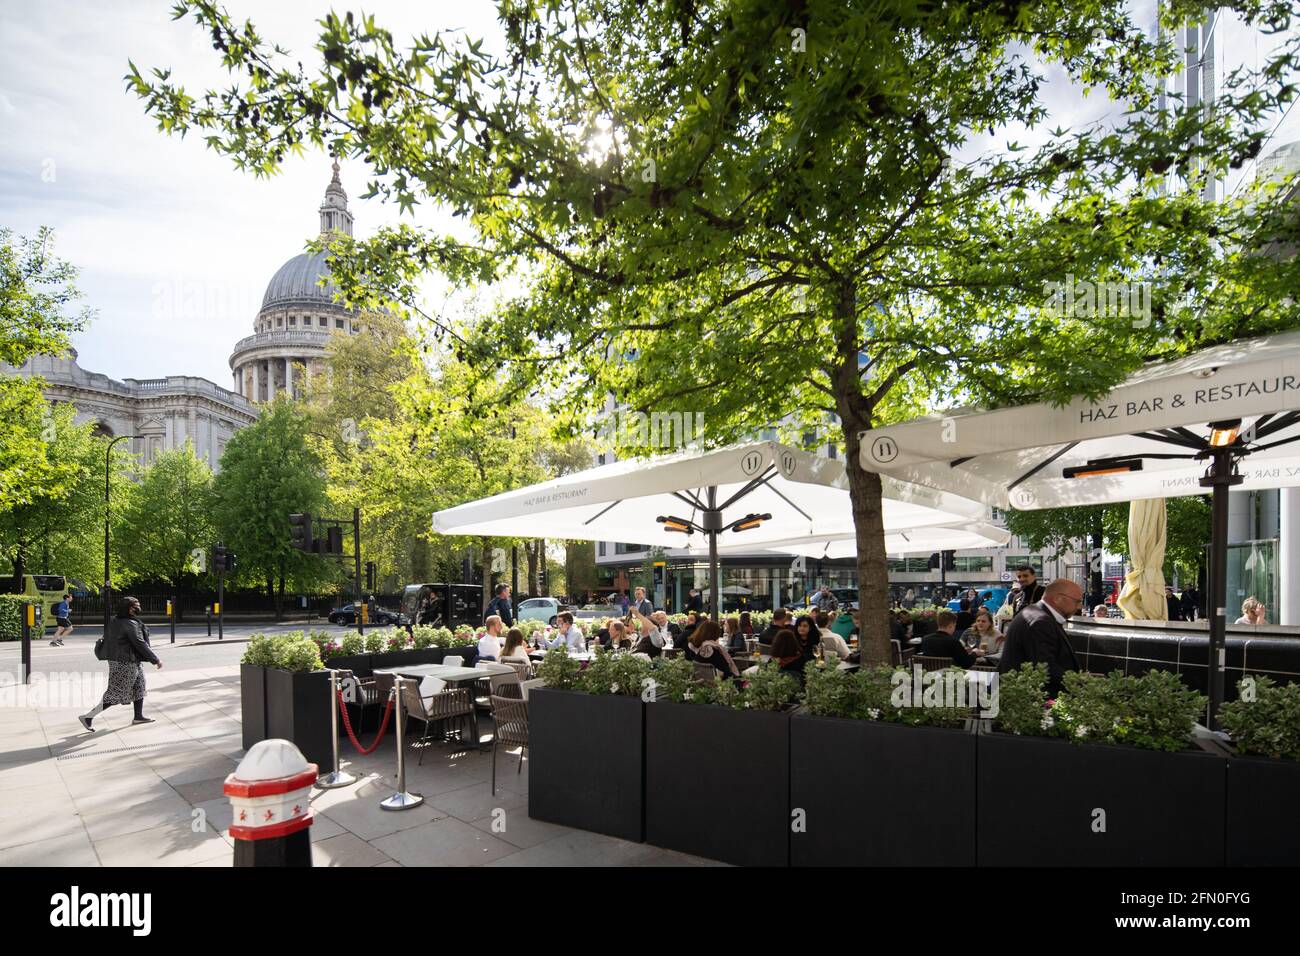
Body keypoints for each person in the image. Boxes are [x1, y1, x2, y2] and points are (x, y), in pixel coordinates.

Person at [79, 596, 162, 731]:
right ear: (130, 609)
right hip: (125, 662)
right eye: (136, 605)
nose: (139, 606)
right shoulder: (130, 624)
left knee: (139, 687)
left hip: (129, 660)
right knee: (116, 693)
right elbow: (140, 643)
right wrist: (155, 659)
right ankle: (88, 717)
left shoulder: (116, 620)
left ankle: (138, 716)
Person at [998, 579, 1083, 697]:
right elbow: (1046, 667)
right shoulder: (1041, 621)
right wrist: (1082, 685)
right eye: (1077, 601)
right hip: (1031, 701)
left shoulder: (1036, 613)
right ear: (1058, 598)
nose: (1080, 606)